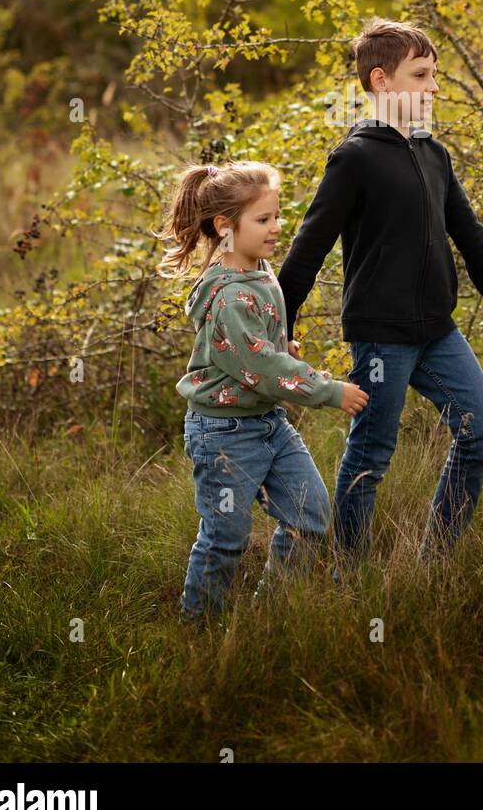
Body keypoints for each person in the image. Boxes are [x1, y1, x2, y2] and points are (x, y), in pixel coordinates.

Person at [277, 18, 483, 578]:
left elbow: (472, 239)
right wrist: (277, 330)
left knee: (481, 435)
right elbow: (308, 249)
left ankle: (434, 562)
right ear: (381, 79)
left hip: (438, 332)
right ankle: (347, 575)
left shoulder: (433, 155)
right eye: (421, 75)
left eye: (435, 75)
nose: (433, 87)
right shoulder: (354, 158)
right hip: (381, 336)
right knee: (370, 459)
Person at [155, 159, 367, 624]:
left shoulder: (261, 271)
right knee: (226, 536)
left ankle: (269, 612)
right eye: (264, 219)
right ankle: (199, 628)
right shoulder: (229, 295)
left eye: (277, 216)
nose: (276, 228)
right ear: (225, 227)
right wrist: (328, 390)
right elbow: (259, 367)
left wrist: (279, 343)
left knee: (310, 516)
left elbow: (260, 347)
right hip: (224, 432)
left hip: (269, 424)